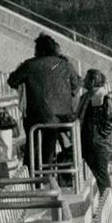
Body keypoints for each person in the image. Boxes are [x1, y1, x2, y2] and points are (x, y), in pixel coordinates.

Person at [6, 34, 81, 176]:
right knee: (49, 144)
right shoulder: (65, 65)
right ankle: (47, 175)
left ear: (38, 49)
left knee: (33, 147)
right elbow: (76, 85)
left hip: (36, 117)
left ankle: (33, 177)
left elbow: (12, 81)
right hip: (62, 118)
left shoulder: (29, 65)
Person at [76, 69, 112, 195]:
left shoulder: (104, 99)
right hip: (87, 142)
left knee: (101, 175)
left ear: (93, 81)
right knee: (100, 174)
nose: (84, 80)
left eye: (86, 78)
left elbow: (111, 122)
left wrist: (98, 136)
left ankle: (108, 200)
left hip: (98, 145)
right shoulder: (85, 97)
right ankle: (107, 200)